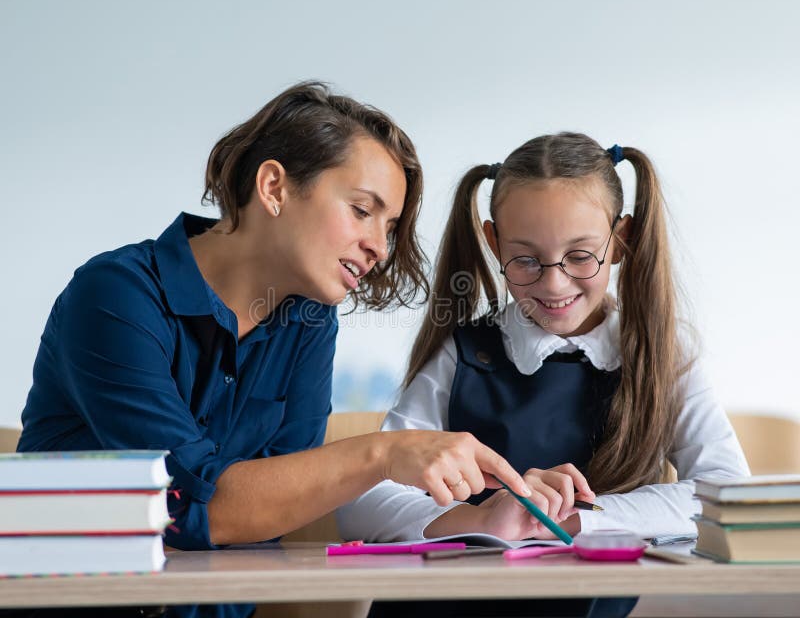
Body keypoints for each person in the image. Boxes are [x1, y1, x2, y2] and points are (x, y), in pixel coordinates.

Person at [14, 82, 531, 618]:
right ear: (274, 187)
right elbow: (203, 506)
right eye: (361, 210)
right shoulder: (114, 296)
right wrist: (383, 453)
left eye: (390, 225)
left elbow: (277, 506)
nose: (380, 246)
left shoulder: (309, 321)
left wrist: (477, 517)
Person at [338, 132, 750, 618]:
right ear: (493, 243)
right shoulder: (464, 353)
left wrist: (580, 520)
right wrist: (482, 519)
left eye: (580, 256)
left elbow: (728, 492)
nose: (554, 284)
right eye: (526, 259)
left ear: (620, 240)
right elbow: (361, 495)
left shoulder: (664, 356)